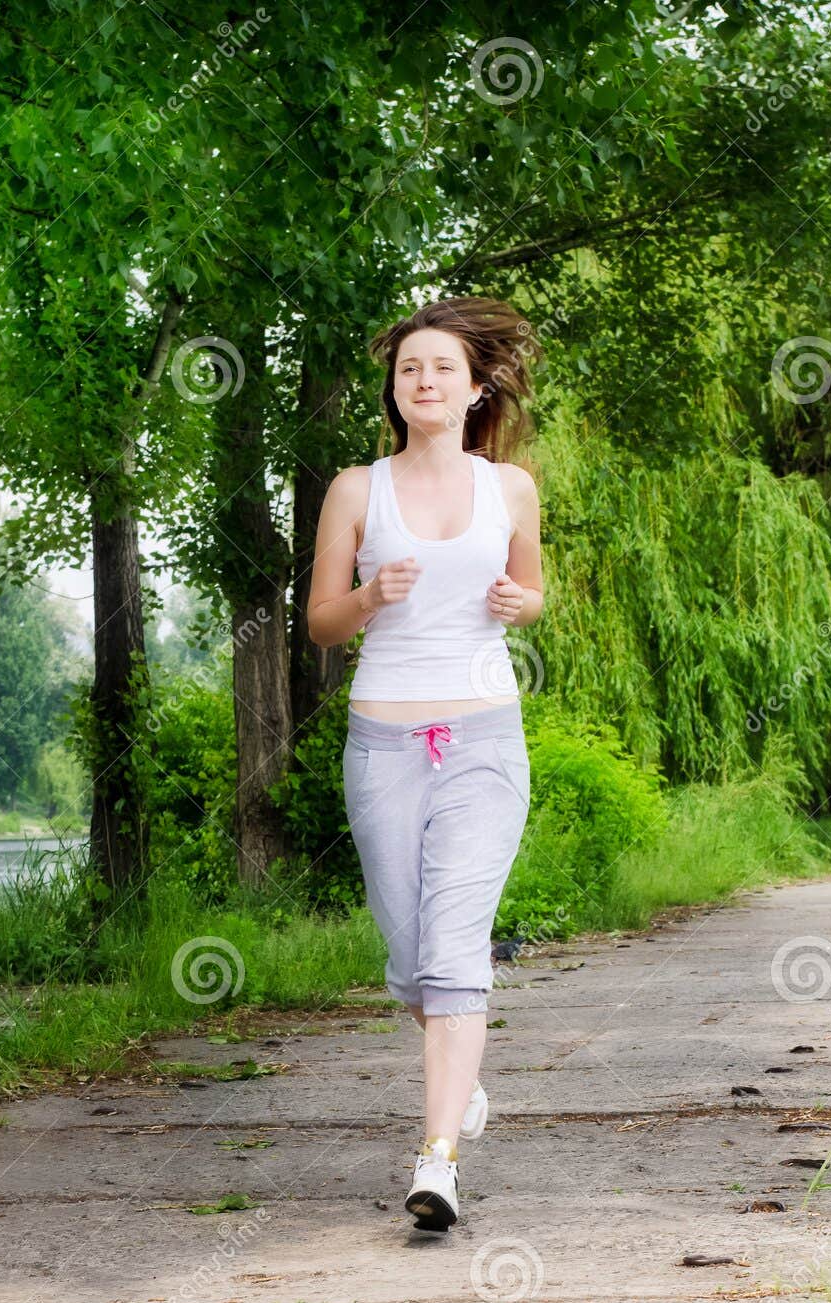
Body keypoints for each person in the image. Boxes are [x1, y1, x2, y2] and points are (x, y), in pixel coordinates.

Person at [307, 296, 544, 1231]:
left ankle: (437, 1158)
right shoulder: (356, 490)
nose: (425, 382)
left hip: (484, 740)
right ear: (395, 391)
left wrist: (525, 607)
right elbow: (321, 622)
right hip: (384, 746)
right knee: (411, 961)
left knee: (453, 952)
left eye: (443, 367)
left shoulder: (509, 488)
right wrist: (369, 595)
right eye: (410, 370)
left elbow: (534, 588)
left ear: (475, 385)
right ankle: (463, 1075)